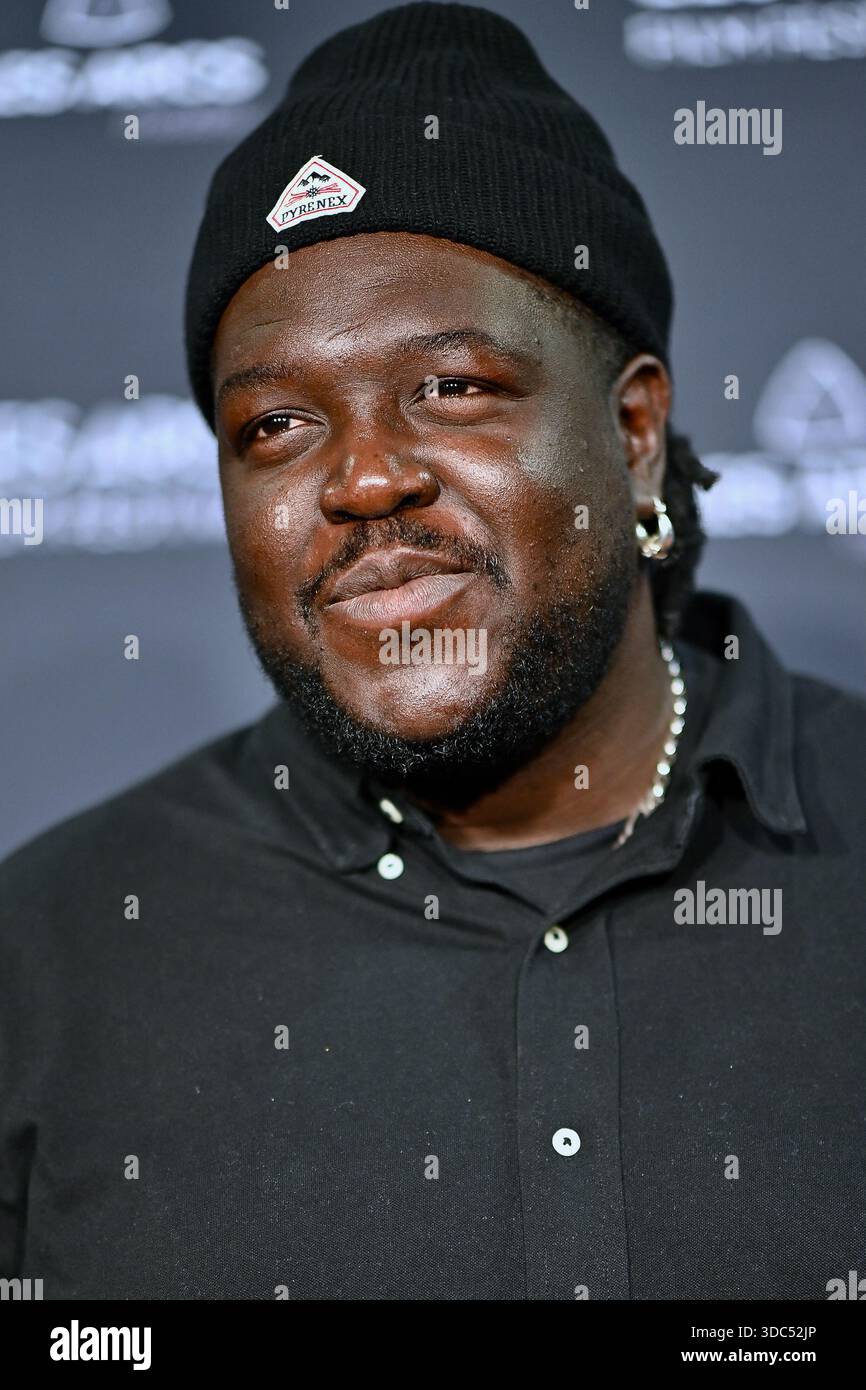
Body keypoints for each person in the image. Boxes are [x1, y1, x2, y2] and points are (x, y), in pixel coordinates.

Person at [1, 2, 864, 1301]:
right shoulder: (51, 958)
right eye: (276, 424)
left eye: (449, 387)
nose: (359, 479)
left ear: (631, 435)